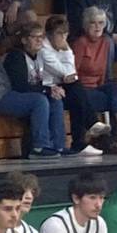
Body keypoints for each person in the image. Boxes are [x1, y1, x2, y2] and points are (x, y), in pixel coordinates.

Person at [0, 22, 69, 157]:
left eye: (41, 37)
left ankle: (59, 145)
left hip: (19, 95)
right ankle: (39, 147)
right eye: (34, 37)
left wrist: (53, 90)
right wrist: (47, 90)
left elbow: (38, 83)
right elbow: (20, 86)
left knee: (55, 100)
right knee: (39, 100)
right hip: (0, 96)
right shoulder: (15, 56)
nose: (39, 40)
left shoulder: (40, 56)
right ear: (24, 40)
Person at [40, 16, 102, 154]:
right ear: (49, 34)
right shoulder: (43, 50)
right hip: (46, 87)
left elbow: (72, 73)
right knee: (76, 90)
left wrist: (66, 49)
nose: (63, 38)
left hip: (61, 85)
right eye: (59, 34)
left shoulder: (62, 47)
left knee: (77, 94)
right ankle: (89, 126)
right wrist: (67, 51)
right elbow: (66, 72)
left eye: (65, 34)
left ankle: (81, 140)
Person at [74, 6, 117, 149]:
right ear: (86, 25)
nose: (97, 27)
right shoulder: (81, 43)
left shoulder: (106, 42)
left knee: (116, 88)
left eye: (101, 23)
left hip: (98, 86)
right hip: (82, 90)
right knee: (111, 101)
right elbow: (73, 72)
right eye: (93, 23)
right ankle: (112, 140)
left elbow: (105, 71)